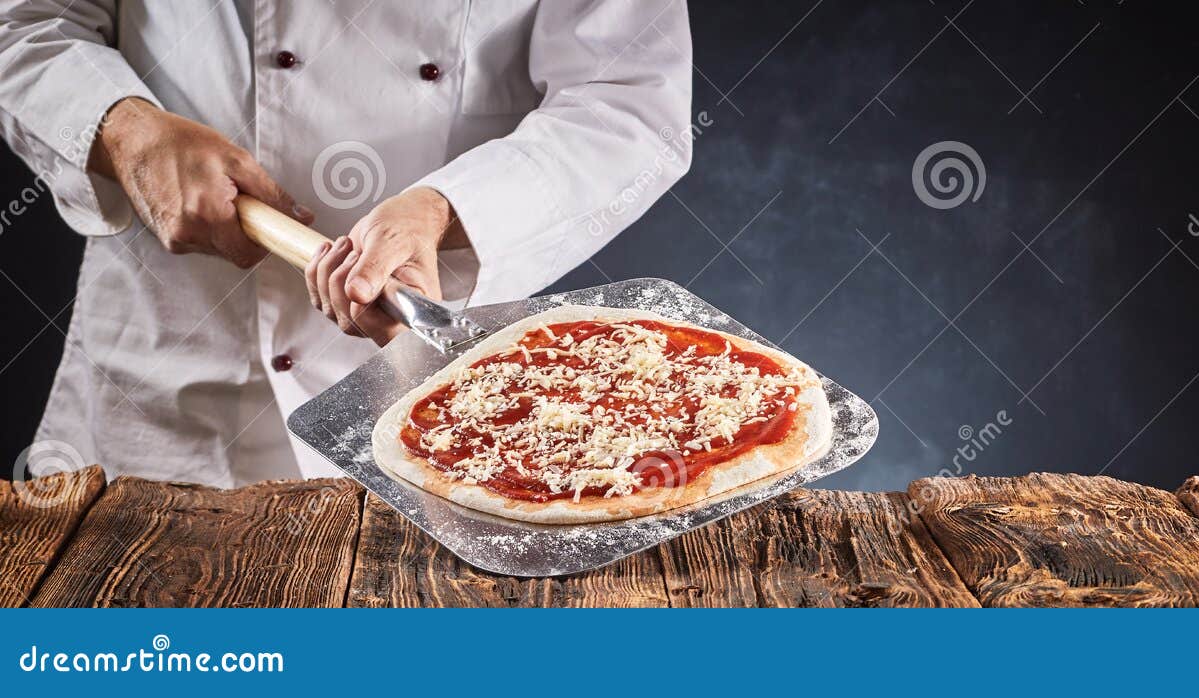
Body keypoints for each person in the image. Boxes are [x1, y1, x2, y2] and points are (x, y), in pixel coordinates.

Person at [0, 1, 692, 486]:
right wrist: (127, 131)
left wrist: (443, 209)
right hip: (167, 382)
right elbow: (26, 22)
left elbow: (625, 98)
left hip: (435, 385)